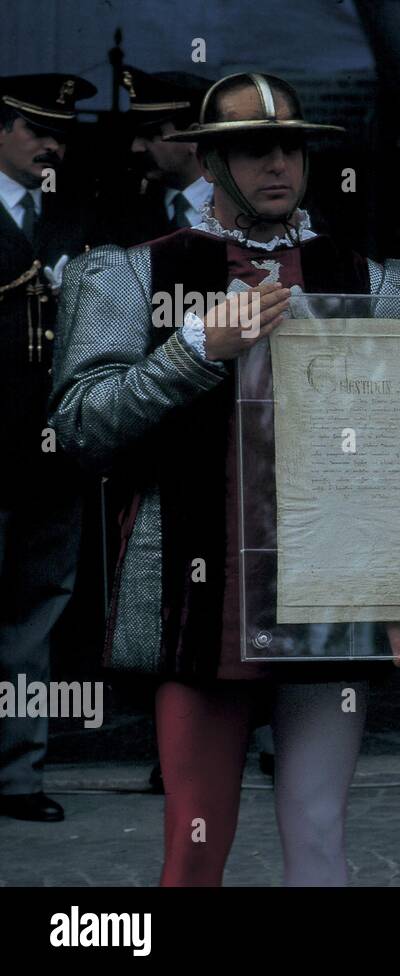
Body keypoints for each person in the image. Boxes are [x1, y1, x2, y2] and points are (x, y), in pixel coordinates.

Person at [51, 72, 400, 884]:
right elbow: (82, 427)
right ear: (209, 161)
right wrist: (195, 352)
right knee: (194, 847)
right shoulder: (128, 274)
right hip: (202, 590)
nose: (277, 165)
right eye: (250, 149)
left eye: (290, 147)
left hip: (331, 583)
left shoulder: (374, 282)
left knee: (319, 834)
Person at [0, 72, 97, 823]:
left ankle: (17, 775)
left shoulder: (75, 216)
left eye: (58, 132)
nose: (51, 143)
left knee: (36, 613)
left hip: (49, 449)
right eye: (36, 128)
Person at [114, 66, 214, 244]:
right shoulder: (127, 211)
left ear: (193, 138)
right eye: (135, 135)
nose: (136, 147)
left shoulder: (237, 207)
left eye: (150, 135)